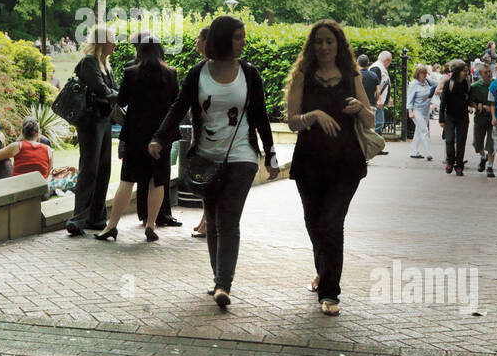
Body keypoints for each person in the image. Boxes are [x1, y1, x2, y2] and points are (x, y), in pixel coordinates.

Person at [149, 16, 279, 309]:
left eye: (243, 37)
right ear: (222, 39)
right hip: (206, 159)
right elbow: (178, 107)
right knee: (213, 220)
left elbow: (260, 116)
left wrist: (270, 154)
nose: (243, 42)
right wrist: (159, 138)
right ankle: (218, 277)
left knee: (229, 219)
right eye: (237, 37)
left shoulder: (249, 73)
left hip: (241, 156)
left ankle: (224, 284)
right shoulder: (199, 73)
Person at [284, 20, 371, 316]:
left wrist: (361, 109)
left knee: (332, 223)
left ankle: (330, 292)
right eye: (318, 41)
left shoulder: (351, 75)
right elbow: (292, 120)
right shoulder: (302, 76)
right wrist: (315, 115)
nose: (323, 47)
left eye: (329, 41)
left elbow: (370, 119)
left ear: (338, 45)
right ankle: (323, 269)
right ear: (312, 45)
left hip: (346, 162)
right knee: (314, 222)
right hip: (310, 161)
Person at [95, 35, 179, 243]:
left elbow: (121, 100)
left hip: (135, 134)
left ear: (139, 51)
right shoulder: (171, 73)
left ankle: (112, 225)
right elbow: (175, 104)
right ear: (160, 51)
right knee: (157, 180)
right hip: (160, 136)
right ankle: (151, 225)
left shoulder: (131, 73)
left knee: (127, 180)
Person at [66, 26, 118, 236]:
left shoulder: (105, 64)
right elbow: (101, 89)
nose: (115, 44)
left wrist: (113, 94)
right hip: (90, 122)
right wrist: (116, 94)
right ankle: (79, 219)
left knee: (104, 168)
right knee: (90, 168)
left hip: (104, 120)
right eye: (112, 39)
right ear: (102, 41)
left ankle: (96, 218)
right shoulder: (89, 62)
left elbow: (112, 91)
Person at [191, 26, 212, 241]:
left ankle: (207, 223)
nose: (196, 41)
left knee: (207, 179)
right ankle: (204, 220)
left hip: (209, 136)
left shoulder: (205, 69)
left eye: (199, 38)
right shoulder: (201, 68)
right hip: (202, 133)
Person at [438, 59, 471, 175]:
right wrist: (441, 119)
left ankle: (459, 165)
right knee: (450, 140)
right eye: (464, 71)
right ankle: (450, 161)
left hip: (463, 117)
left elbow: (467, 97)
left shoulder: (466, 83)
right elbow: (443, 102)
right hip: (450, 116)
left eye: (466, 71)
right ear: (458, 72)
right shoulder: (449, 84)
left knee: (461, 142)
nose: (466, 73)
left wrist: (471, 106)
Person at [469, 63, 495, 176]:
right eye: (485, 72)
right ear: (480, 74)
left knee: (491, 143)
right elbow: (470, 101)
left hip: (493, 118)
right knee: (477, 142)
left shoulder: (495, 84)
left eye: (489, 71)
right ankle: (483, 157)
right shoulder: (475, 87)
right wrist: (477, 105)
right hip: (480, 118)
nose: (488, 74)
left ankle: (490, 166)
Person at [406, 64, 436, 160]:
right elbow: (410, 98)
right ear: (418, 74)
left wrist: (429, 76)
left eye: (426, 73)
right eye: (423, 73)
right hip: (416, 110)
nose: (425, 75)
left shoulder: (427, 82)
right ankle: (428, 153)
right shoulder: (413, 84)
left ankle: (413, 152)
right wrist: (410, 111)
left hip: (425, 110)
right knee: (424, 130)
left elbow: (436, 84)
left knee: (419, 131)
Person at [367, 52, 392, 144]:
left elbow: (384, 84)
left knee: (379, 123)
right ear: (387, 60)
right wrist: (379, 100)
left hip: (379, 100)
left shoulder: (379, 67)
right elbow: (374, 86)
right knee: (378, 123)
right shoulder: (377, 67)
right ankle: (373, 145)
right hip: (377, 101)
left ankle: (378, 146)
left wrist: (389, 97)